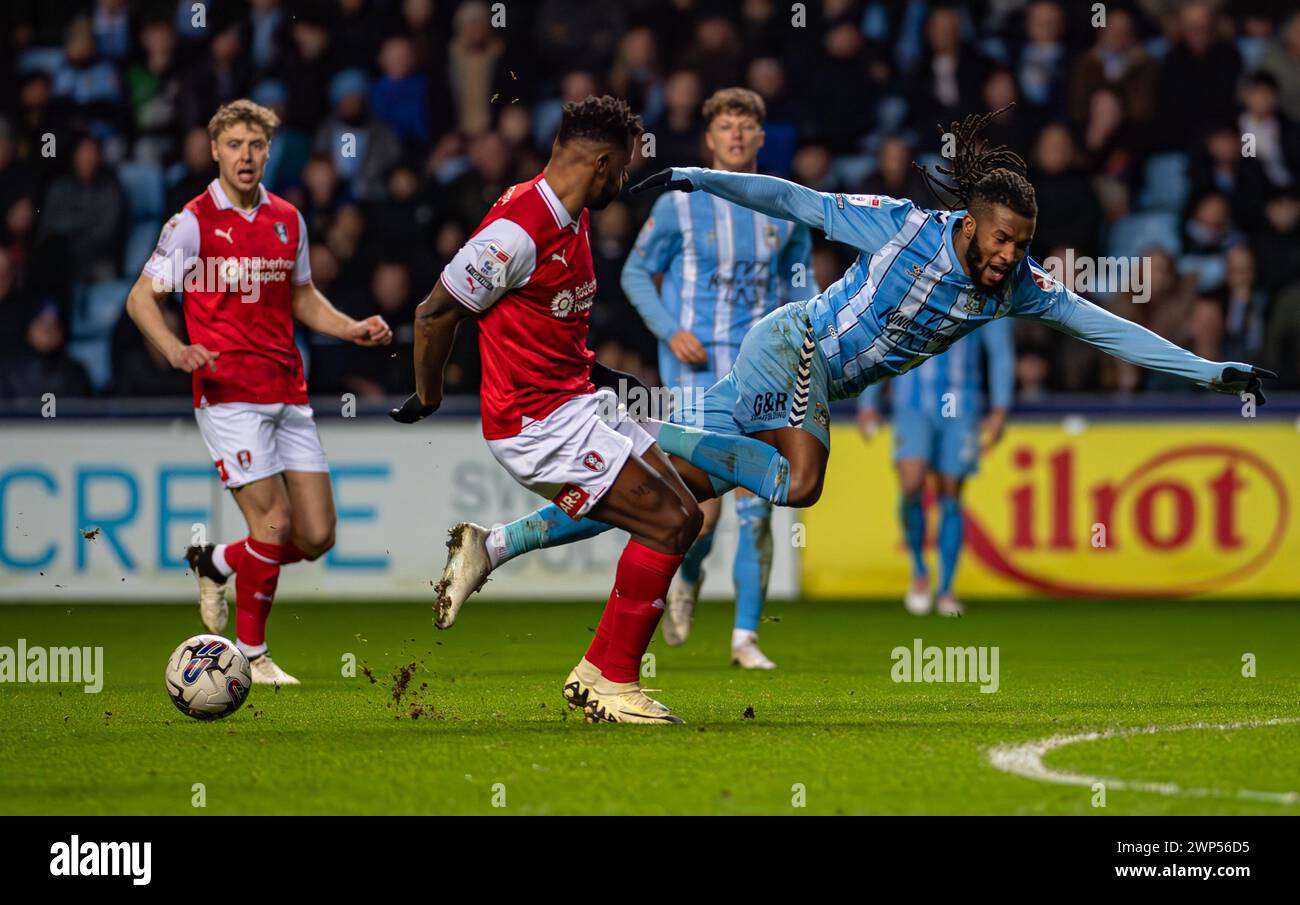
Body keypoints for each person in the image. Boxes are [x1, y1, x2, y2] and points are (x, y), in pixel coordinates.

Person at [431, 106, 1272, 609]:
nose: (1012, 255)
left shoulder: (1017, 288)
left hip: (803, 377)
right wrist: (696, 175)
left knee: (674, 491)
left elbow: (1105, 327)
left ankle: (492, 546)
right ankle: (639, 426)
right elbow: (796, 198)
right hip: (795, 344)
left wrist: (1210, 370)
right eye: (1004, 238)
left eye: (1024, 244)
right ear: (973, 223)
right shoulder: (904, 226)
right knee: (799, 483)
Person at [390, 96, 707, 725]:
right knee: (669, 523)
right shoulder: (515, 234)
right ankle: (613, 682)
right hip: (536, 425)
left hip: (577, 401)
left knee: (685, 515)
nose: (624, 182)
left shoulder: (572, 212)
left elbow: (548, 326)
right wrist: (429, 395)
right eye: (621, 170)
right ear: (601, 162)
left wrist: (603, 376)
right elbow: (433, 314)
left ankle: (596, 672)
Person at [125, 99, 392, 685]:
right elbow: (142, 298)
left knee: (317, 534)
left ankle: (218, 561)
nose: (245, 156)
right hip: (227, 392)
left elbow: (300, 296)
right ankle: (250, 653)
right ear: (214, 149)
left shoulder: (287, 219)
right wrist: (174, 349)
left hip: (287, 389)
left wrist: (349, 327)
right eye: (234, 145)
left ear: (269, 151)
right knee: (272, 521)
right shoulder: (192, 222)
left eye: (255, 145)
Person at [620, 87, 817, 668]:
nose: (735, 135)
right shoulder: (679, 204)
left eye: (746, 126)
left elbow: (798, 285)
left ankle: (745, 638)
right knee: (697, 506)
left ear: (760, 137)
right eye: (725, 127)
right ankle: (688, 578)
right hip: (692, 368)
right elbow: (635, 273)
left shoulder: (784, 207)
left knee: (760, 500)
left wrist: (805, 341)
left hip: (760, 375)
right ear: (709, 140)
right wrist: (668, 328)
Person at [857, 318, 1013, 617]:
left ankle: (946, 589)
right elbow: (882, 341)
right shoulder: (912, 285)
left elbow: (999, 350)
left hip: (961, 407)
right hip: (912, 405)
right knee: (911, 485)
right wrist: (868, 402)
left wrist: (1000, 408)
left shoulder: (985, 291)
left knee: (951, 494)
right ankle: (918, 569)